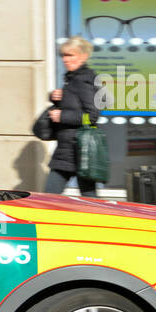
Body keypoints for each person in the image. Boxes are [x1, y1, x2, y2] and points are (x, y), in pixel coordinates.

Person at [40, 36, 99, 197]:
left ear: (83, 56)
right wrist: (55, 97)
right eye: (64, 56)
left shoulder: (84, 81)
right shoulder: (72, 79)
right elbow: (74, 103)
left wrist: (62, 116)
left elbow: (92, 116)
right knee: (89, 200)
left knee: (50, 199)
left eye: (70, 55)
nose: (65, 60)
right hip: (68, 149)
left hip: (80, 149)